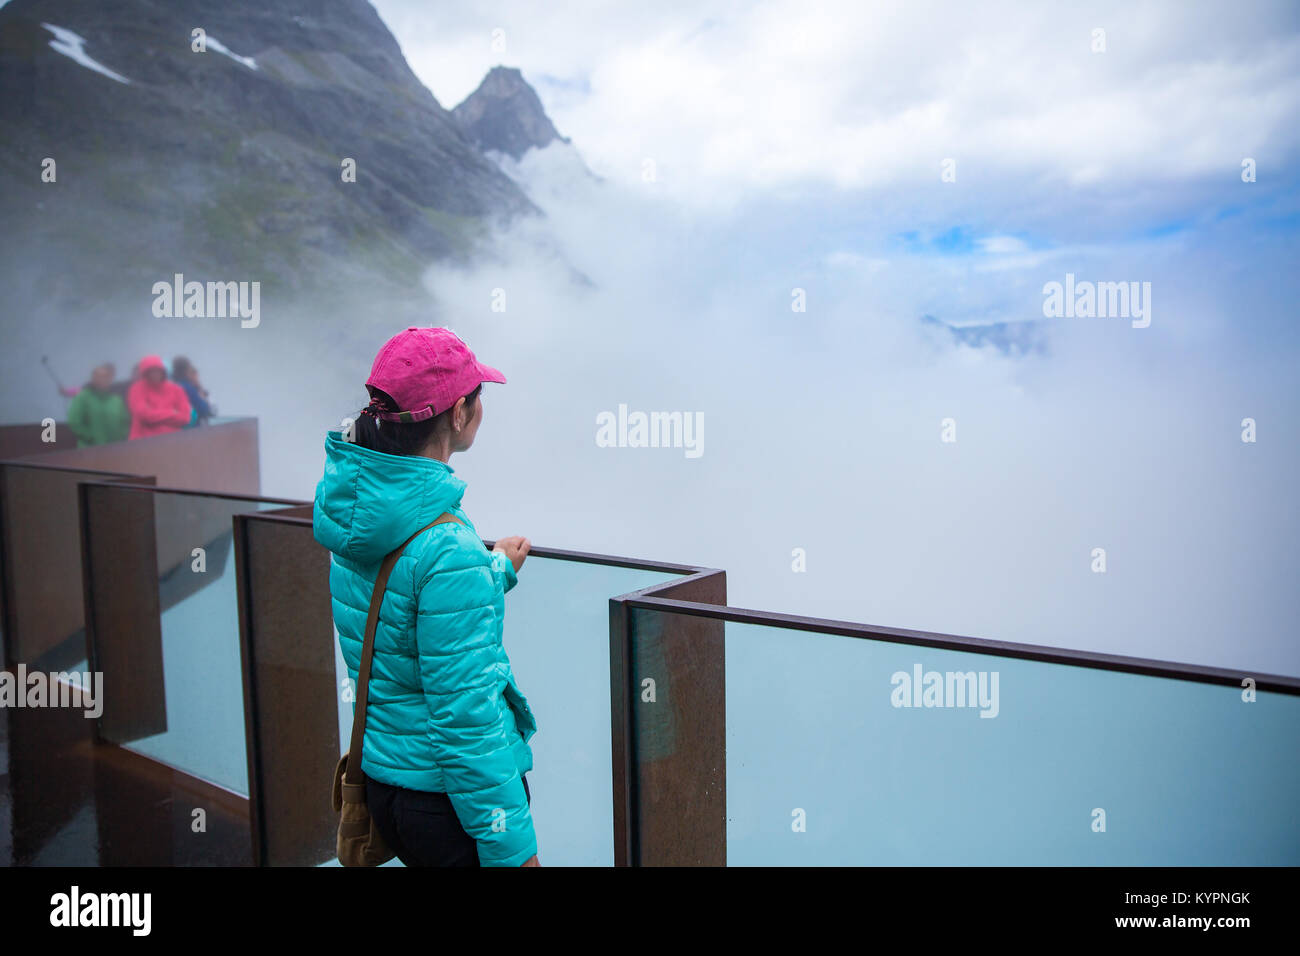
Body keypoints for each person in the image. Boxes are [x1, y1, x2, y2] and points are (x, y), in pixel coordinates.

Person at [312, 327, 539, 868]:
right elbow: (466, 718)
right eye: (477, 397)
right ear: (458, 413)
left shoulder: (359, 514)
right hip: (445, 805)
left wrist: (492, 571)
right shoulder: (447, 545)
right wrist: (515, 851)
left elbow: (398, 608)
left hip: (383, 785)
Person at [125, 355, 192, 439]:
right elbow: (142, 414)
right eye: (151, 371)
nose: (155, 374)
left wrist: (153, 414)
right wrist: (172, 412)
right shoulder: (136, 389)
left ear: (163, 371)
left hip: (173, 441)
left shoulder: (177, 389)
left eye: (158, 370)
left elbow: (185, 417)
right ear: (145, 373)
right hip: (143, 443)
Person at [66, 363, 130, 447]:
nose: (103, 379)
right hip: (89, 451)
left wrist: (121, 438)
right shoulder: (83, 398)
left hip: (115, 450)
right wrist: (90, 438)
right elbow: (74, 422)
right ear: (93, 378)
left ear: (111, 379)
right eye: (99, 376)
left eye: (106, 377)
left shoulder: (116, 400)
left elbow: (125, 422)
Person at [171, 356, 214, 426]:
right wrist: (200, 391)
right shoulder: (187, 388)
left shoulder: (171, 385)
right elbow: (204, 409)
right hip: (191, 430)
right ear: (186, 371)